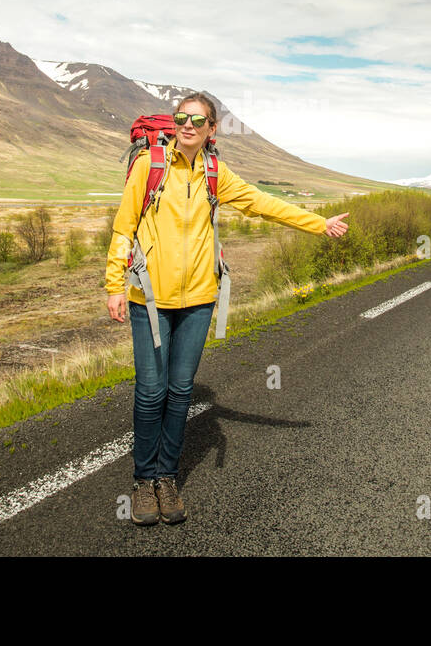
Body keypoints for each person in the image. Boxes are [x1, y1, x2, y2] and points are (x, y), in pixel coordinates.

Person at [104, 92, 349, 525]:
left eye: (198, 121)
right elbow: (124, 227)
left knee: (180, 391)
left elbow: (262, 203)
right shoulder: (150, 166)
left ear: (212, 129)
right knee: (150, 391)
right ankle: (143, 481)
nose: (188, 125)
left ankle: (167, 478)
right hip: (149, 299)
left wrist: (318, 223)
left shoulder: (216, 174)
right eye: (182, 118)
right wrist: (114, 286)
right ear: (173, 122)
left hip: (199, 299)